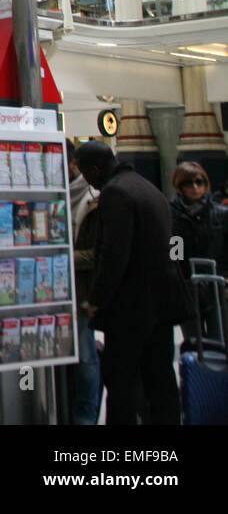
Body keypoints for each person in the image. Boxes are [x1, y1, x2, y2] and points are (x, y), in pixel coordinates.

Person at [75, 140, 190, 425]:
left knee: (121, 380)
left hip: (131, 308)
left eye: (85, 173)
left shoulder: (116, 193)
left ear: (94, 169)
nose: (86, 180)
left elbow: (114, 254)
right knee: (160, 378)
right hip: (160, 304)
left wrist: (97, 300)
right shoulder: (145, 187)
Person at [169, 161, 228, 345]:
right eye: (188, 183)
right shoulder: (174, 217)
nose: (195, 188)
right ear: (179, 186)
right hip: (188, 288)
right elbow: (175, 254)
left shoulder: (220, 213)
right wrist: (178, 280)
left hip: (217, 286)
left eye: (199, 182)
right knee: (193, 344)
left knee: (220, 342)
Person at [67, 140, 101, 425]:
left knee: (86, 356)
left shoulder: (93, 198)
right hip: (52, 289)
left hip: (81, 291)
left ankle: (85, 415)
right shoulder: (49, 194)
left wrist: (62, 258)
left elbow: (97, 253)